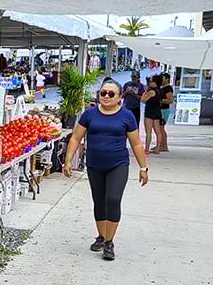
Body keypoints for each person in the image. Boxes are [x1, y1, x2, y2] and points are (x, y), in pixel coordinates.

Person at [64, 78, 148, 260]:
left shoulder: (126, 116)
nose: (107, 96)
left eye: (111, 94)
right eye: (103, 93)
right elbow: (75, 138)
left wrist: (143, 168)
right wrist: (68, 160)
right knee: (99, 201)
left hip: (118, 164)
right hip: (95, 165)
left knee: (113, 199)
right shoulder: (89, 114)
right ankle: (101, 236)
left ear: (119, 97)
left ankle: (109, 242)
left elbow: (136, 143)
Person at [142, 75, 165, 154]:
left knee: (148, 132)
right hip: (157, 111)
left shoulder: (151, 91)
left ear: (155, 82)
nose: (149, 83)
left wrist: (145, 91)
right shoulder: (160, 91)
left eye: (151, 81)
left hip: (149, 112)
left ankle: (147, 149)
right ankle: (157, 148)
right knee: (158, 132)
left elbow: (143, 100)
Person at [159, 72, 174, 152]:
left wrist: (160, 100)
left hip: (164, 110)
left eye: (163, 78)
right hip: (160, 109)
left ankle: (165, 145)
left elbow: (170, 100)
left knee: (161, 128)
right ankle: (160, 144)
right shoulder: (161, 87)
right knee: (159, 128)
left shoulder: (168, 88)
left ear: (167, 79)